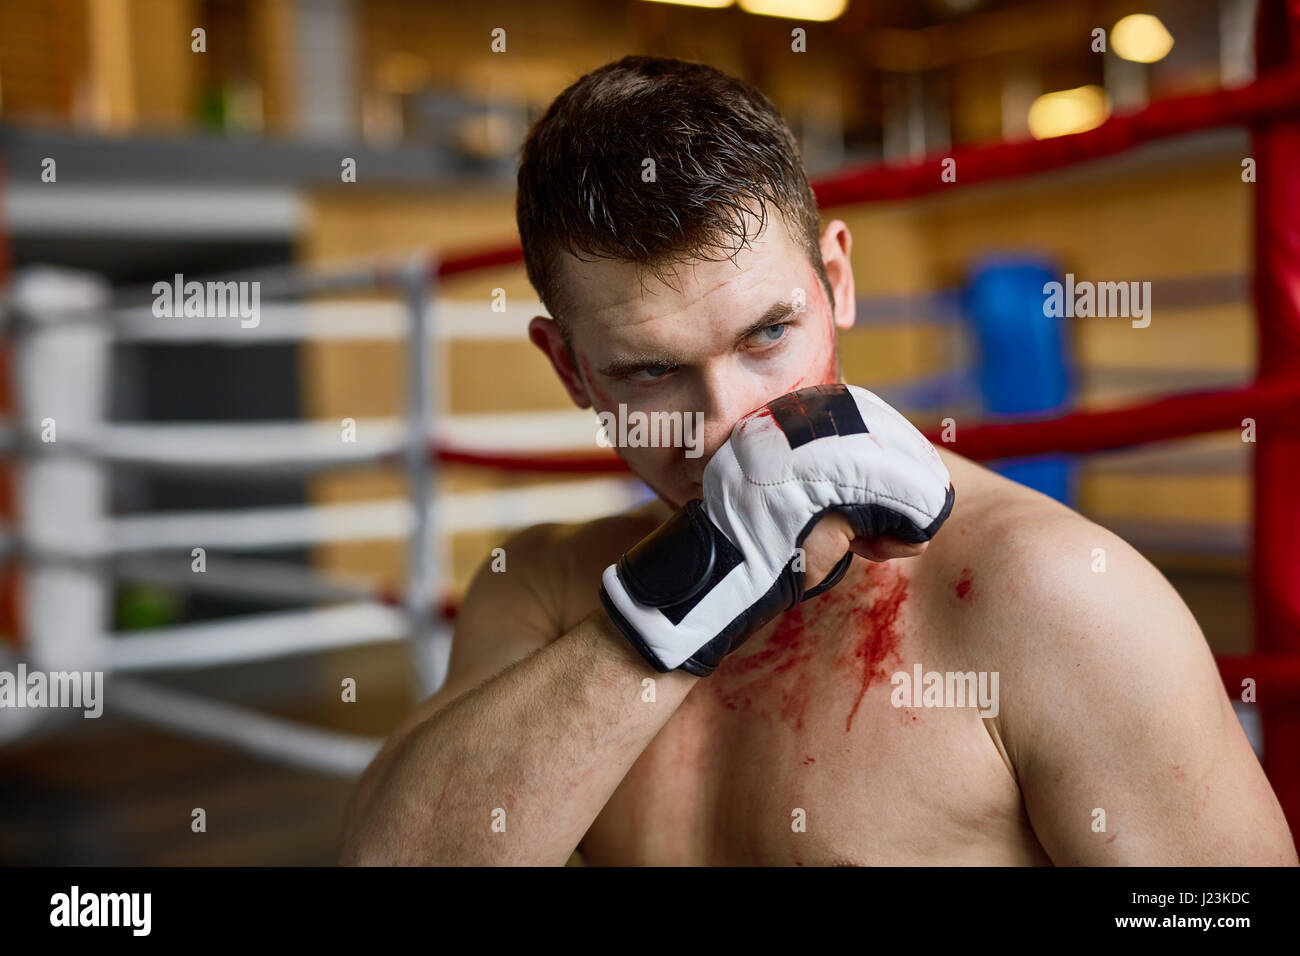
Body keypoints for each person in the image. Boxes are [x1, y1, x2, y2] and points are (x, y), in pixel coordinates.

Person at [339, 56, 1297, 866]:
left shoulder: (1046, 597)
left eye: (767, 336)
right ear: (571, 369)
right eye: (651, 371)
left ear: (836, 281)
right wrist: (674, 607)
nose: (727, 424)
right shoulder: (547, 594)